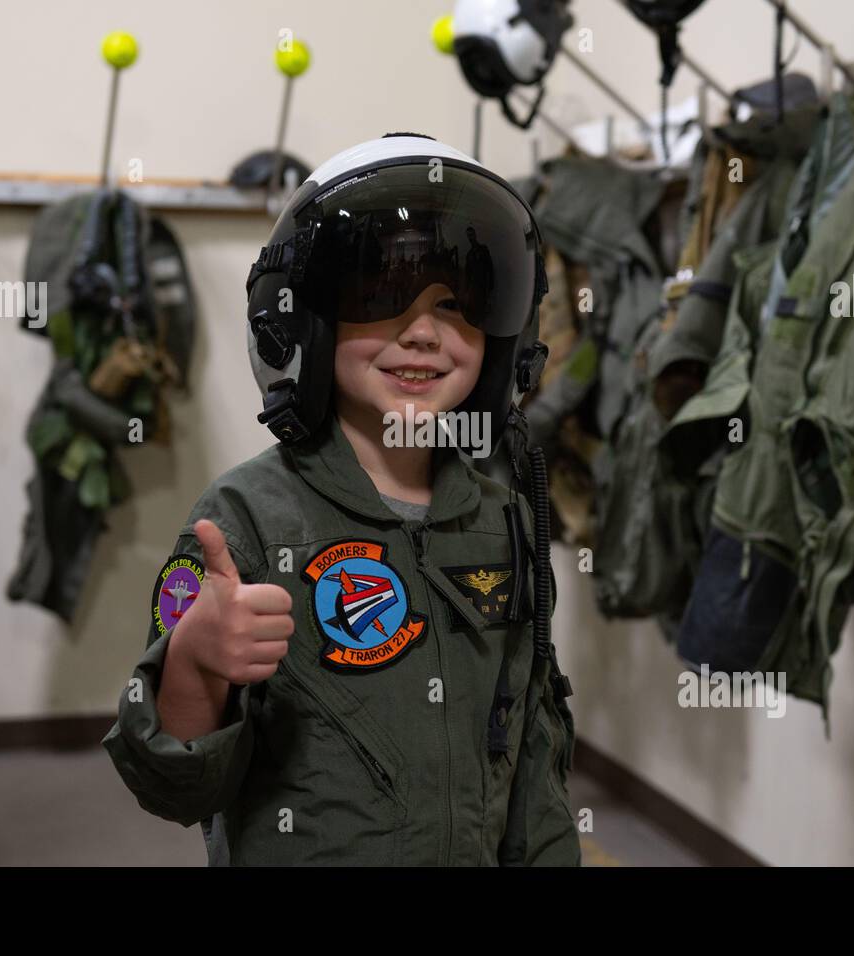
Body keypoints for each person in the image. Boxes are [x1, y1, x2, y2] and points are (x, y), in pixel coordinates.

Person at [103, 133, 580, 866]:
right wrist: (196, 663)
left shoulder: (503, 518)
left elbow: (534, 759)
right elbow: (175, 787)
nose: (424, 332)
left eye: (457, 302)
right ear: (306, 318)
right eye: (383, 293)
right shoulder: (246, 520)